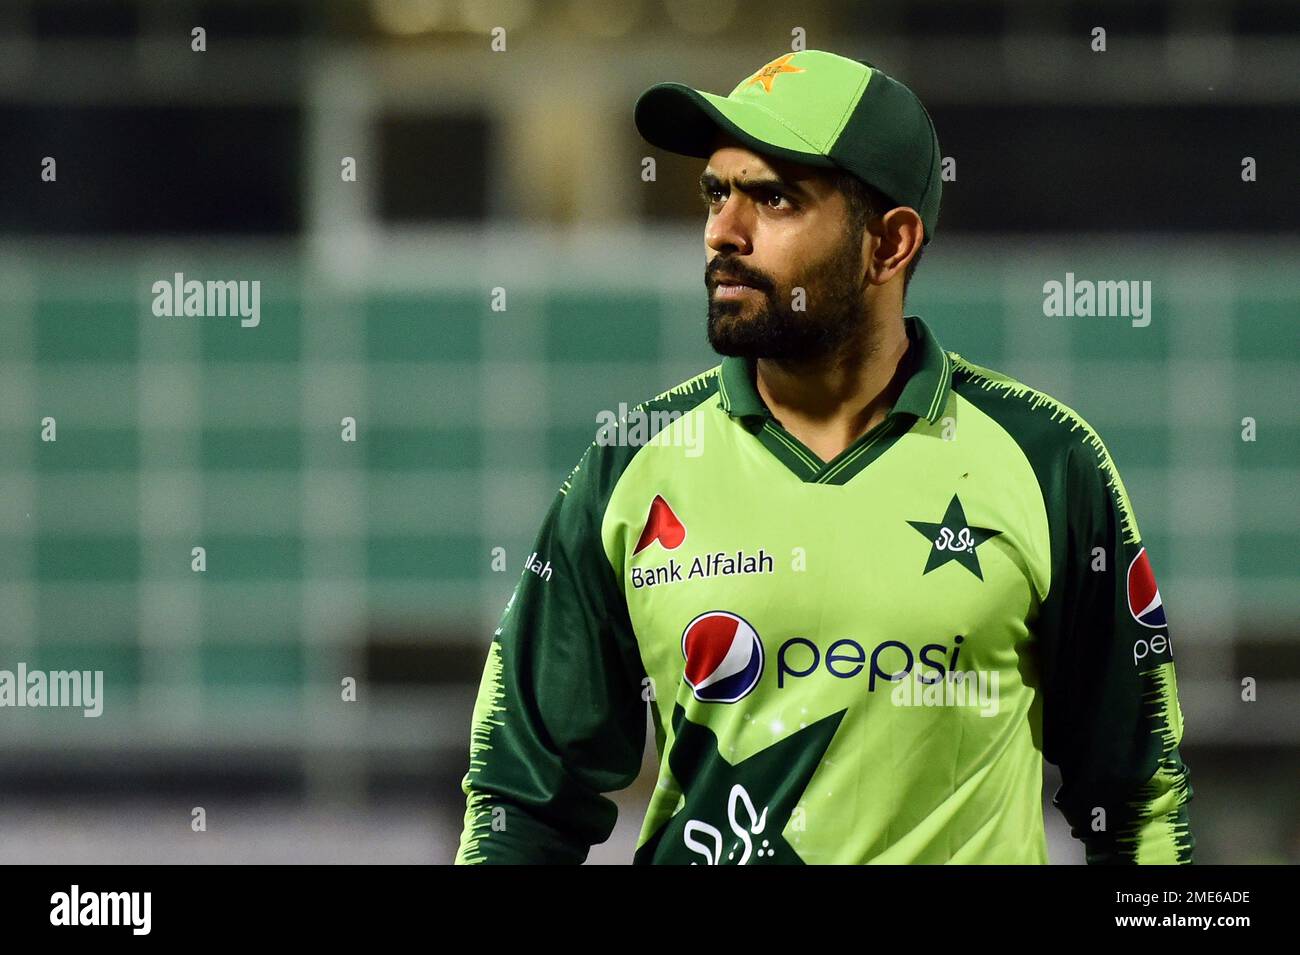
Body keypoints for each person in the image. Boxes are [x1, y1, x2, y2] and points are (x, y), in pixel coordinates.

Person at [454, 49, 1193, 864]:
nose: (722, 232)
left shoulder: (1049, 463)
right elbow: (522, 798)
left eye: (772, 197)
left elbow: (1137, 800)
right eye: (715, 191)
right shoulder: (629, 464)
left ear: (889, 244)